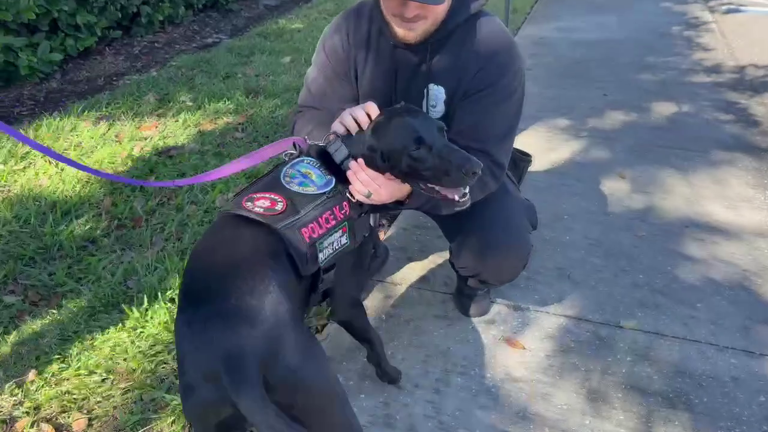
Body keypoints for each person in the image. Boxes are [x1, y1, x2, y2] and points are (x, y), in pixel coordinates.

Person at [291, 0, 538, 318]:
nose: (407, 9)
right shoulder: (350, 30)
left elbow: (485, 163)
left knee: (499, 250)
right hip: (364, 172)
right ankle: (363, 254)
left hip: (447, 170)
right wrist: (332, 131)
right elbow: (307, 121)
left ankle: (480, 271)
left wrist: (408, 192)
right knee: (301, 245)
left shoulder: (490, 48)